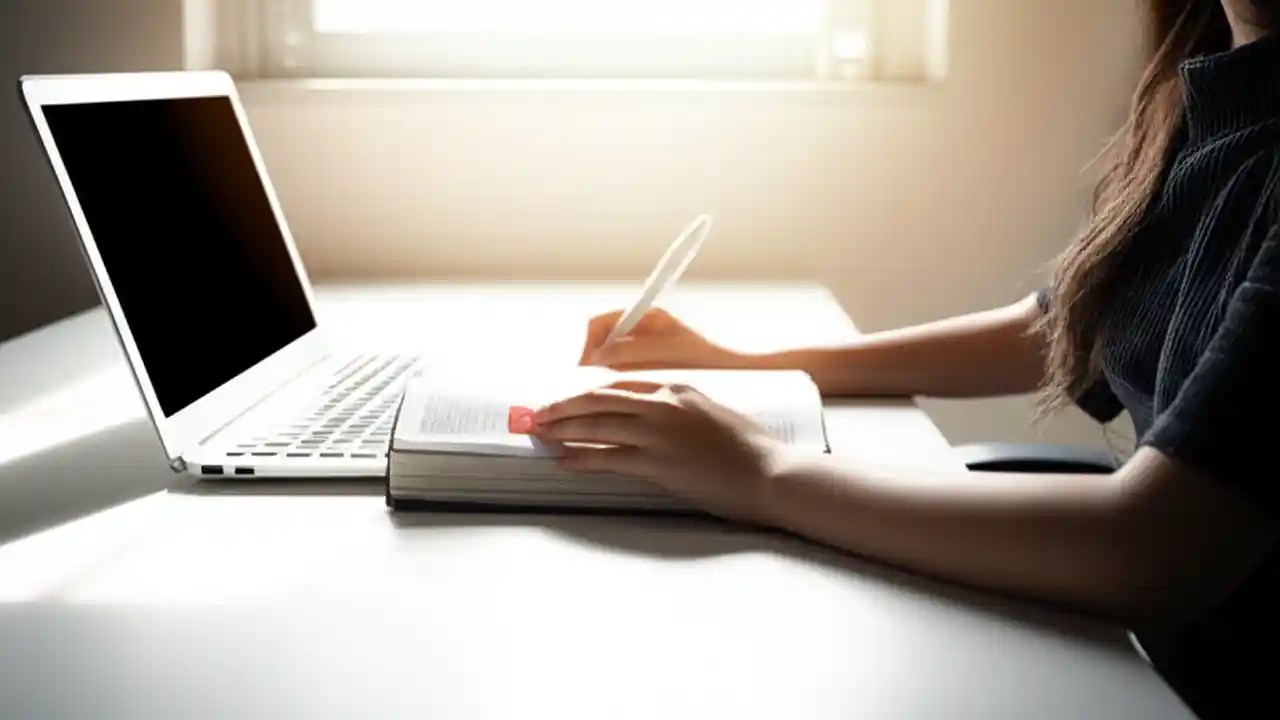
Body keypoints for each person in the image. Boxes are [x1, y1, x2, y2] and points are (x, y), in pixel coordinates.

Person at [528, 1, 1280, 718]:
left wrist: (763, 473)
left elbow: (1147, 548)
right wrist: (747, 361)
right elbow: (1066, 326)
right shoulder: (1206, 89)